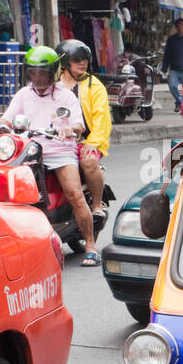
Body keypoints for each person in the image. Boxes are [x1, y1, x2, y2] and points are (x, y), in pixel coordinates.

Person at [1, 47, 99, 265]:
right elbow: (6, 120)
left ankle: (91, 245)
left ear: (53, 72)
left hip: (59, 151)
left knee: (74, 193)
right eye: (33, 72)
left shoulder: (66, 95)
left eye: (42, 72)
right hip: (28, 150)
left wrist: (69, 130)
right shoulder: (23, 94)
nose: (37, 77)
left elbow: (78, 125)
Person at [55, 39, 110, 236]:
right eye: (77, 59)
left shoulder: (94, 86)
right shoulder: (53, 85)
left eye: (85, 59)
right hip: (55, 141)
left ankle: (96, 205)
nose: (82, 63)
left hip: (85, 141)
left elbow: (102, 120)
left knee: (88, 161)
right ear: (64, 62)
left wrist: (92, 144)